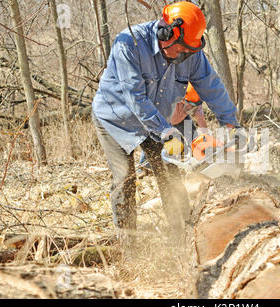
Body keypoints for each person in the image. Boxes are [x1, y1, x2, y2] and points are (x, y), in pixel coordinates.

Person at [91, 2, 241, 242]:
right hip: (116, 119)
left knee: (170, 173)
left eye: (189, 52)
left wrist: (231, 123)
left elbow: (210, 85)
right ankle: (130, 247)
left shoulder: (190, 53)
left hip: (158, 120)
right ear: (166, 32)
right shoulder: (129, 44)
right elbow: (135, 98)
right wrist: (165, 131)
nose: (183, 56)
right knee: (125, 178)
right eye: (181, 49)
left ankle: (183, 240)